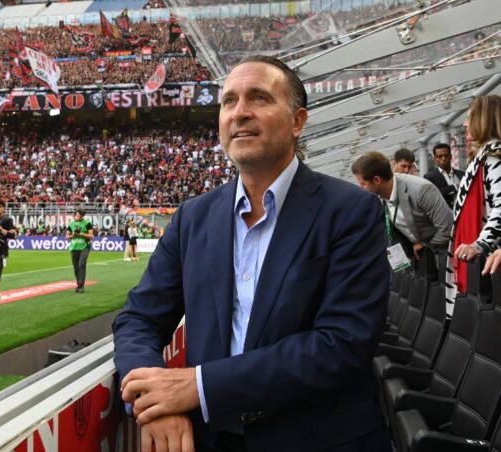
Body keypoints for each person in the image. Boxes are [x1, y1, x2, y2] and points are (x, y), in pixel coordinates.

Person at [112, 55, 391, 452]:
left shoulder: (350, 210)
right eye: (229, 101)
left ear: (297, 121)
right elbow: (139, 318)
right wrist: (156, 400)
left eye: (259, 98)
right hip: (212, 440)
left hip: (317, 439)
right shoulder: (193, 217)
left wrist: (199, 387)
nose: (240, 113)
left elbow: (342, 343)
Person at [446, 95, 501, 313]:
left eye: (470, 118)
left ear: (483, 120)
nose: (465, 123)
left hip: (489, 268)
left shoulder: (494, 159)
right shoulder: (484, 158)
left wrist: (480, 245)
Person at [351, 151, 452, 260]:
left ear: (377, 180)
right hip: (416, 256)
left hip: (443, 253)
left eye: (363, 184)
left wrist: (425, 246)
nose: (360, 188)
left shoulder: (421, 190)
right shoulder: (377, 197)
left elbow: (447, 228)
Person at [424, 143, 464, 208]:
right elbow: (431, 197)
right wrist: (454, 187)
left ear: (450, 157)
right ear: (434, 159)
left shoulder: (462, 175)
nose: (443, 158)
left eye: (446, 155)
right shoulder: (429, 177)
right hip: (443, 216)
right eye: (440, 156)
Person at [66, 209, 94, 293]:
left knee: (81, 265)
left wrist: (81, 234)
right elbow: (67, 237)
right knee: (76, 267)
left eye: (79, 216)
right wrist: (73, 235)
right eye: (77, 215)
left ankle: (81, 285)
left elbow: (91, 235)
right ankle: (79, 284)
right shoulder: (71, 223)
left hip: (84, 247)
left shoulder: (87, 224)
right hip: (74, 247)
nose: (78, 217)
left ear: (82, 216)